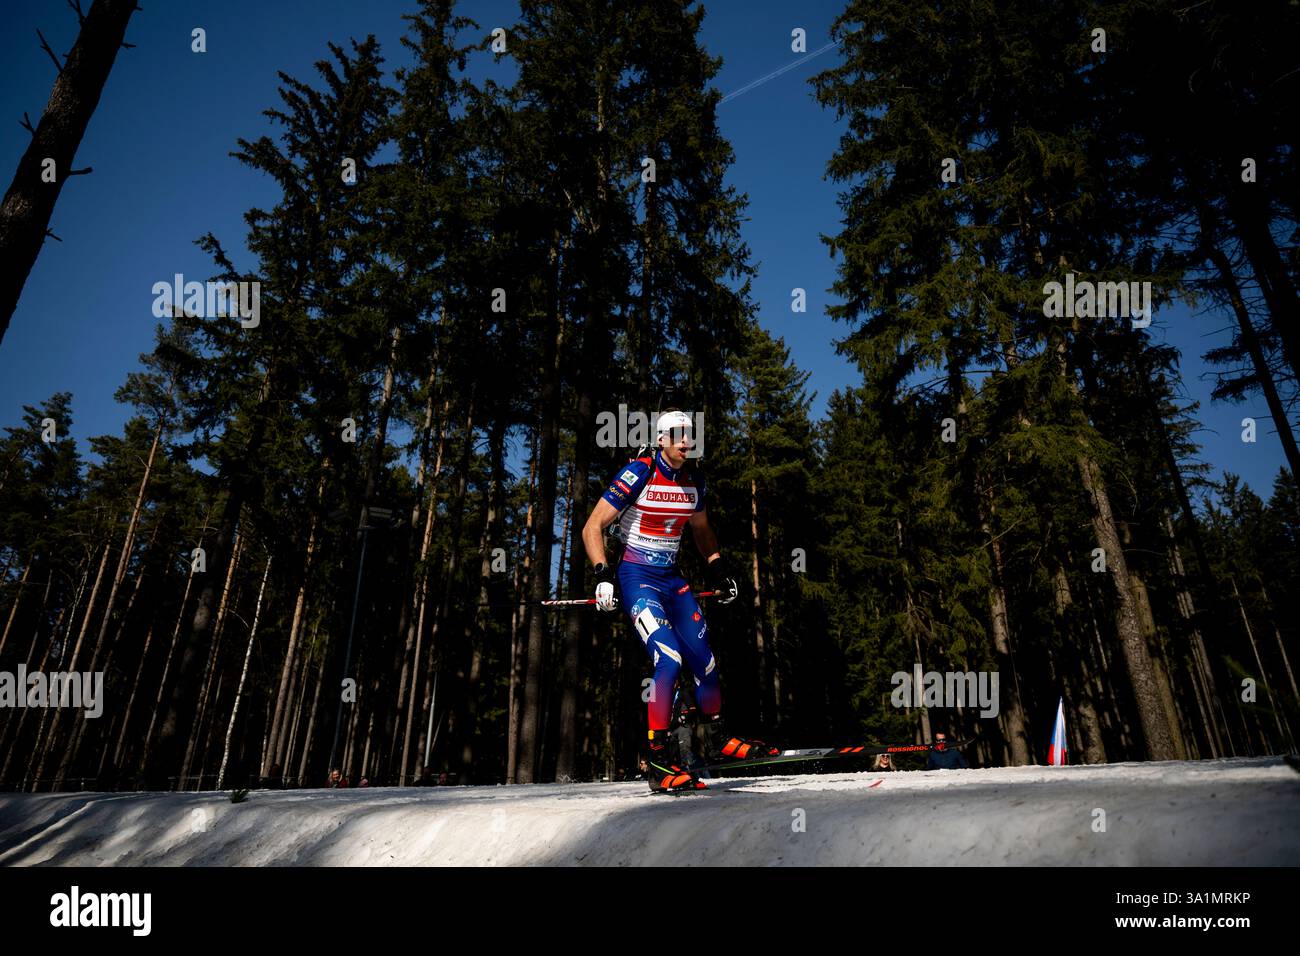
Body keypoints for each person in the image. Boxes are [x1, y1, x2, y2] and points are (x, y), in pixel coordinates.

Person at [582, 409, 776, 793]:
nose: (687, 441)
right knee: (668, 658)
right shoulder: (638, 472)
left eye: (690, 434)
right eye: (678, 435)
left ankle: (719, 739)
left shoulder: (695, 482)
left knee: (704, 658)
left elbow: (702, 529)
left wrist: (718, 568)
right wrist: (603, 574)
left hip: (672, 580)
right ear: (661, 440)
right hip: (637, 578)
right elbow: (593, 525)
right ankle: (658, 761)